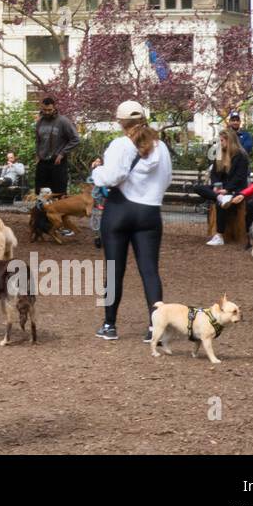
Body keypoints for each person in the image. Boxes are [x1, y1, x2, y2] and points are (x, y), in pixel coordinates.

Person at [90, 100, 172, 344]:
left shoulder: (120, 144)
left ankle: (109, 325)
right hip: (149, 212)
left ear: (121, 122)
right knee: (149, 271)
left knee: (115, 270)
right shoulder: (161, 147)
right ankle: (154, 327)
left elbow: (111, 177)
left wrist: (96, 171)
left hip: (119, 210)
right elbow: (166, 179)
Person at [195, 128, 250, 246]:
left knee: (220, 204)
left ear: (229, 141)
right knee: (198, 188)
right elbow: (214, 173)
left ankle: (219, 236)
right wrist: (216, 186)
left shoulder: (241, 156)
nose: (221, 143)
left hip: (235, 189)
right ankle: (219, 197)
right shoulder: (220, 154)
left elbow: (239, 177)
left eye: (222, 140)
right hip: (221, 189)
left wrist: (227, 189)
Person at [34, 97, 79, 196]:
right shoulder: (39, 122)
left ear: (54, 108)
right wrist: (37, 154)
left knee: (59, 192)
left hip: (57, 162)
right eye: (44, 110)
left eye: (49, 110)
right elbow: (38, 141)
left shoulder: (63, 121)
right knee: (41, 192)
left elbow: (75, 139)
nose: (47, 112)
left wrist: (62, 153)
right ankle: (42, 211)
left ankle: (59, 211)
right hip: (42, 162)